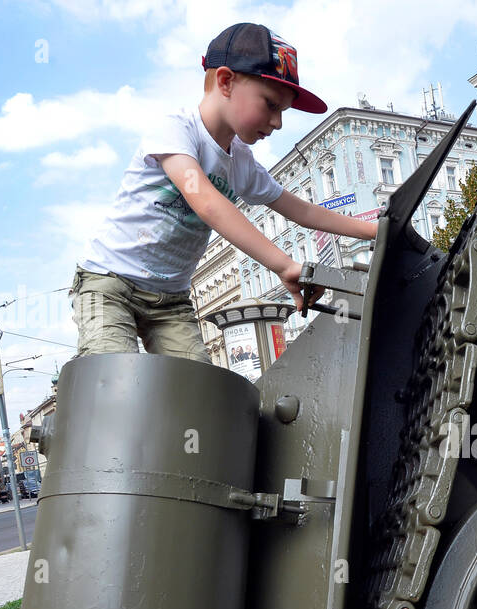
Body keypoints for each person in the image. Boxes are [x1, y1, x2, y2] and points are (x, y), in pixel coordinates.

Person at [71, 23, 376, 362]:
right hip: (109, 283)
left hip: (170, 300)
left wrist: (375, 230)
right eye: (271, 105)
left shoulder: (241, 163)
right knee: (114, 375)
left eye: (282, 112)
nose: (277, 123)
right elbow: (206, 203)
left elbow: (301, 211)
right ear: (226, 82)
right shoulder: (176, 129)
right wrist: (284, 265)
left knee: (196, 390)